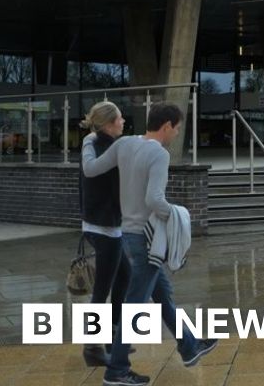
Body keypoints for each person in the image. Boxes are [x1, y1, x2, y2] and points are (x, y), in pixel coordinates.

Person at [83, 103, 217, 386]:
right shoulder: (159, 153)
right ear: (166, 125)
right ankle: (117, 370)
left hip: (129, 234)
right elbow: (154, 200)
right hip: (146, 238)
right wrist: (179, 215)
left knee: (163, 294)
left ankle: (189, 347)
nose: (177, 133)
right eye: (177, 128)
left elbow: (92, 169)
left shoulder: (125, 144)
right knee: (134, 306)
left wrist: (88, 139)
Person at [79, 102, 131, 368]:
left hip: (104, 225)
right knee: (101, 290)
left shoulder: (99, 144)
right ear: (109, 123)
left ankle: (113, 337)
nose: (123, 122)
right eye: (120, 119)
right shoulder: (103, 147)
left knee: (125, 275)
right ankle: (92, 347)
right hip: (104, 227)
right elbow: (113, 188)